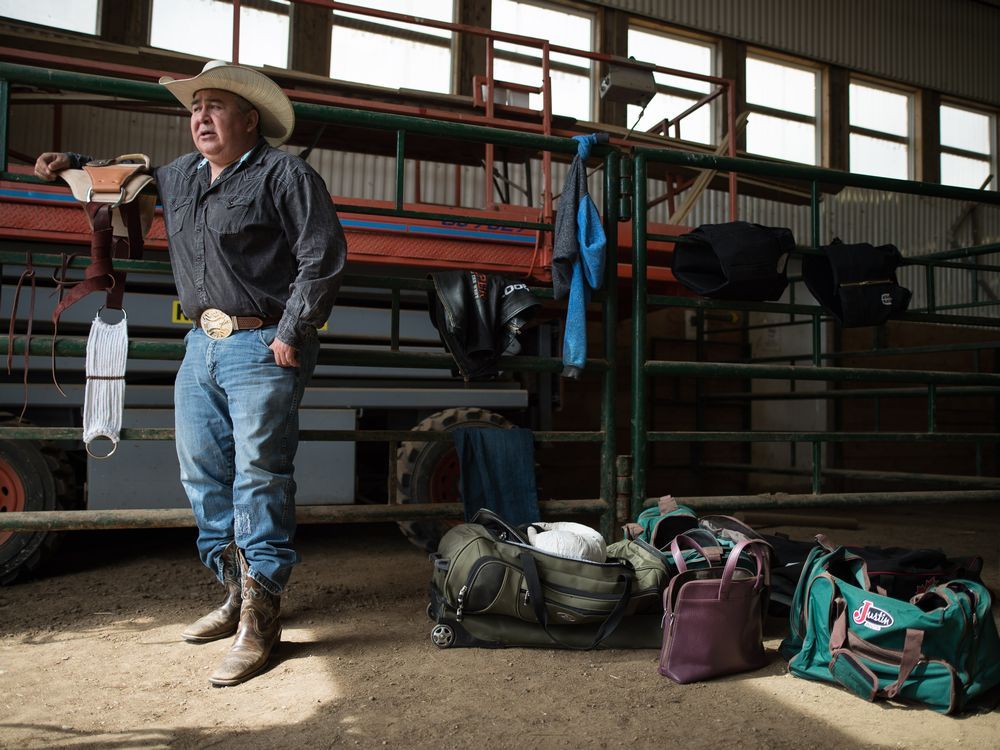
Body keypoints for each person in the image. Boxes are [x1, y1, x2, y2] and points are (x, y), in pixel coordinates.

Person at [35, 60, 347, 686]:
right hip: (201, 345)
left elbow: (323, 255)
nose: (200, 116)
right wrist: (67, 158)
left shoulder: (286, 174)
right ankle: (235, 593)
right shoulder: (178, 176)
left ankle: (261, 618)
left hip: (262, 344)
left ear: (249, 119)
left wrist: (291, 331)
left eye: (216, 106)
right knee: (202, 473)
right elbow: (121, 179)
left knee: (259, 477)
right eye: (195, 106)